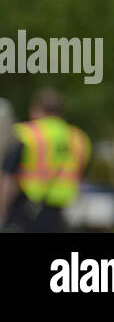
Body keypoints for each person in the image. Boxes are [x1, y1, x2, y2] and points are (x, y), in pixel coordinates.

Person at [1, 88, 92, 232]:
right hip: (61, 213)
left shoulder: (26, 134)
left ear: (35, 110)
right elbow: (81, 175)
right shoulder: (78, 138)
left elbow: (7, 179)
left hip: (26, 210)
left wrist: (3, 213)